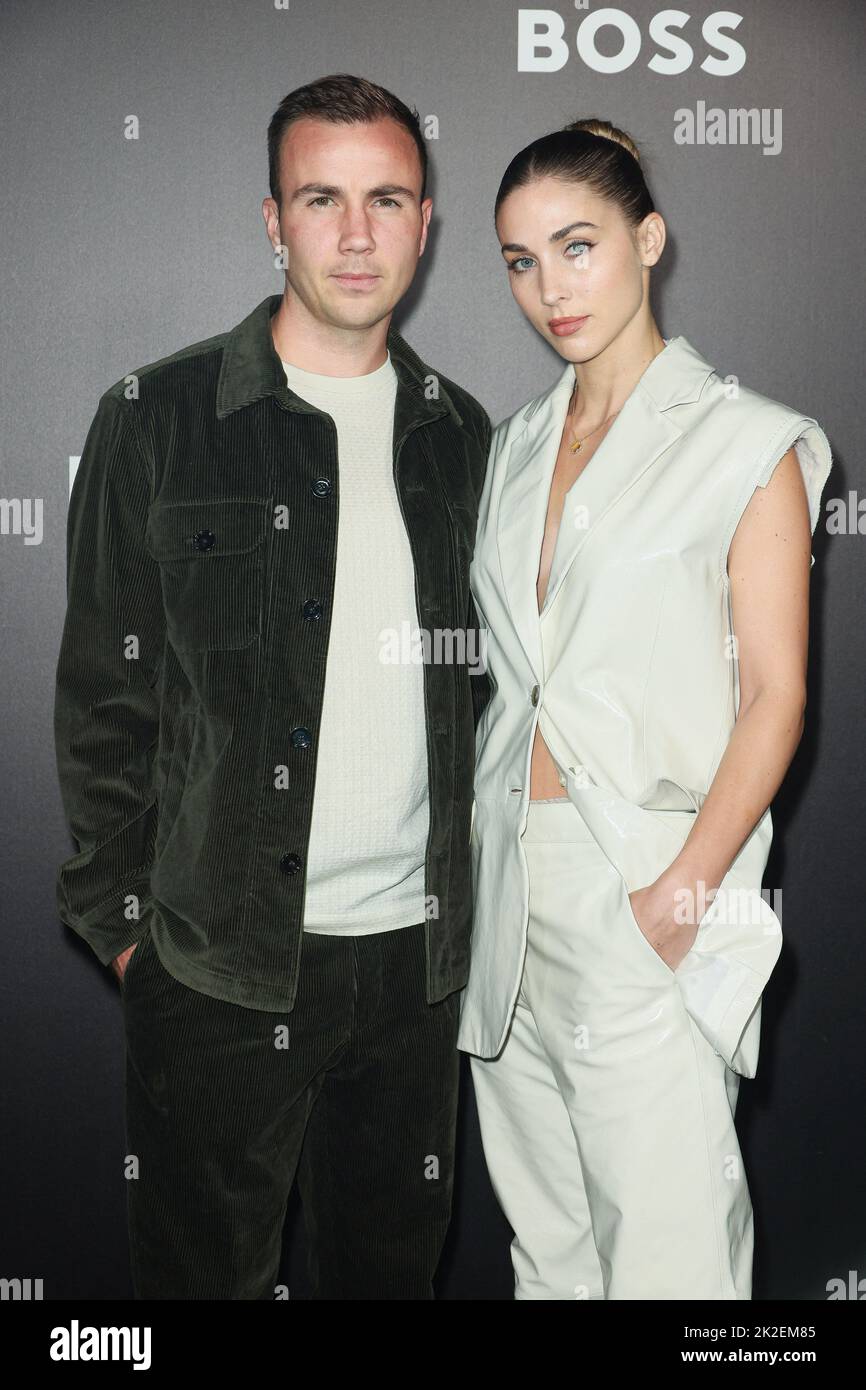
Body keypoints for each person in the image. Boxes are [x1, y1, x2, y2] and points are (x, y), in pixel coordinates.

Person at [53, 72, 492, 1300]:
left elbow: (488, 702)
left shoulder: (460, 436)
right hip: (218, 973)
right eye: (321, 198)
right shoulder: (158, 419)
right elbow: (102, 703)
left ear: (423, 222)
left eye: (386, 199)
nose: (356, 233)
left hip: (411, 976)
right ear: (271, 219)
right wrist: (133, 937)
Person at [457, 117, 834, 1300]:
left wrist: (680, 894)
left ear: (648, 239)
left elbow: (774, 696)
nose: (548, 287)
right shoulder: (513, 446)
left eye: (576, 246)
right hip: (508, 898)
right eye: (520, 260)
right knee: (551, 1257)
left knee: (668, 1265)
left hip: (644, 883)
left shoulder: (743, 439)